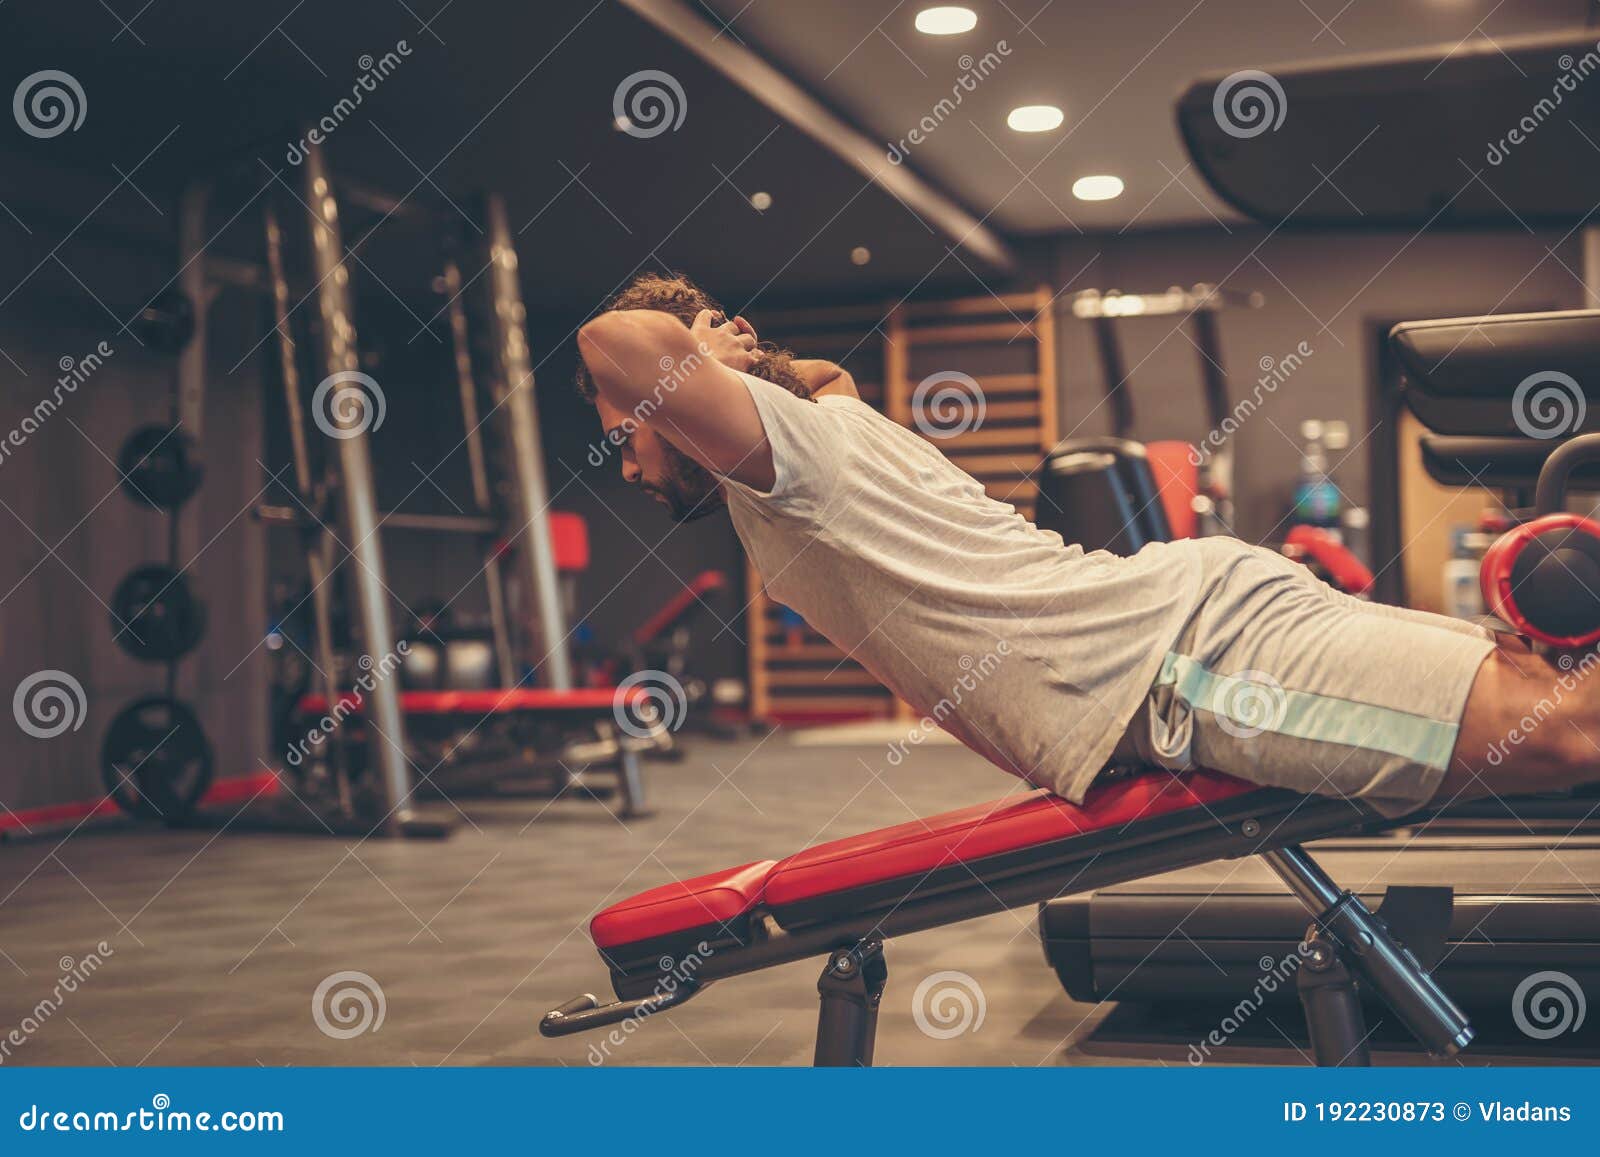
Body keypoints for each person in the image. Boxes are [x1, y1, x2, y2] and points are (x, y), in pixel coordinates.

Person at [576, 272, 1594, 817]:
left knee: (1561, 732)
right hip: (1186, 630)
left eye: (624, 430)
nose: (624, 461)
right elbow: (824, 373)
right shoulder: (822, 424)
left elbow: (608, 343)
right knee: (1553, 687)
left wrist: (704, 349)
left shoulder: (780, 447)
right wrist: (727, 350)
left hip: (1186, 669)